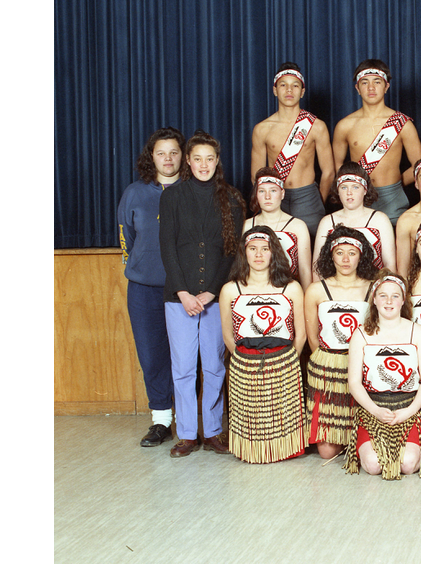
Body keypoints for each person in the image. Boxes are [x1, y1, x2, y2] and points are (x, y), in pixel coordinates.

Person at [159, 130, 244, 458]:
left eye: (210, 158)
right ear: (187, 162)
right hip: (178, 297)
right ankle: (187, 435)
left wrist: (211, 293)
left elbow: (231, 251)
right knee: (183, 368)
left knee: (213, 366)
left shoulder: (232, 199)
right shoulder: (172, 197)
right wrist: (183, 291)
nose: (203, 164)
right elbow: (167, 246)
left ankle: (212, 431)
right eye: (197, 159)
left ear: (217, 161)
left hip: (214, 297)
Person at [219, 225, 308, 463]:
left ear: (274, 252)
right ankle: (251, 448)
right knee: (253, 416)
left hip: (283, 360)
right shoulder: (230, 289)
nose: (258, 255)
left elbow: (301, 334)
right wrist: (243, 360)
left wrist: (288, 360)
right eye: (252, 249)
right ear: (243, 252)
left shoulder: (291, 287)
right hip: (245, 362)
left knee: (280, 414)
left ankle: (283, 447)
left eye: (265, 249)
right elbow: (228, 335)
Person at [117, 126, 182, 447]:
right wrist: (141, 265)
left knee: (188, 357)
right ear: (151, 156)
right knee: (152, 354)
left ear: (183, 156)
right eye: (161, 153)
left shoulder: (194, 190)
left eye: (173, 152)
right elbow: (126, 237)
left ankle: (192, 421)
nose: (167, 159)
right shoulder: (134, 192)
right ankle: (161, 420)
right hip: (144, 289)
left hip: (185, 289)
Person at [344, 271, 421, 480]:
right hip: (374, 409)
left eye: (395, 296)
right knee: (374, 465)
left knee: (408, 464)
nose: (389, 301)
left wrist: (409, 411)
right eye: (383, 295)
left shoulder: (418, 332)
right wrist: (375, 410)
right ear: (374, 300)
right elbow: (355, 383)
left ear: (403, 300)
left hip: (410, 408)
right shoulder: (360, 335)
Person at [303, 226, 377, 460]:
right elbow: (313, 337)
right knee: (326, 452)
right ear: (330, 255)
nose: (345, 259)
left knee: (363, 446)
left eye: (352, 252)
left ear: (361, 255)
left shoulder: (373, 288)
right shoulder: (317, 290)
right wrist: (329, 361)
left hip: (364, 365)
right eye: (339, 252)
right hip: (328, 366)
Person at [331, 59, 421, 221]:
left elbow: (419, 164)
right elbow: (338, 167)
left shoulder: (403, 124)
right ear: (357, 88)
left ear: (386, 86)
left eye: (377, 82)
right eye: (365, 83)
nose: (371, 88)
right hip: (358, 198)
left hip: (393, 198)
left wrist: (396, 183)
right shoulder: (345, 125)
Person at [250, 62, 334, 236]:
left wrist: (318, 202)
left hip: (308, 198)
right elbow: (256, 175)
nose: (289, 90)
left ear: (302, 92)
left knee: (310, 254)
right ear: (275, 90)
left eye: (295, 85)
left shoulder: (316, 126)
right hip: (274, 197)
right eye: (283, 85)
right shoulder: (262, 128)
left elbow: (329, 172)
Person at [311, 162, 396, 273]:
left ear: (365, 190)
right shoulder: (327, 222)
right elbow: (317, 267)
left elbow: (390, 265)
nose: (349, 193)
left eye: (355, 187)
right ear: (337, 190)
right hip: (335, 287)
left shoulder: (380, 220)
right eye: (344, 187)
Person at [242, 167, 312, 288]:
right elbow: (242, 266)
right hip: (255, 290)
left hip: (289, 291)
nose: (267, 196)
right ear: (256, 194)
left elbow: (305, 270)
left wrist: (307, 301)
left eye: (273, 191)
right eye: (262, 191)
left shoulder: (298, 226)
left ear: (282, 194)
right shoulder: (247, 225)